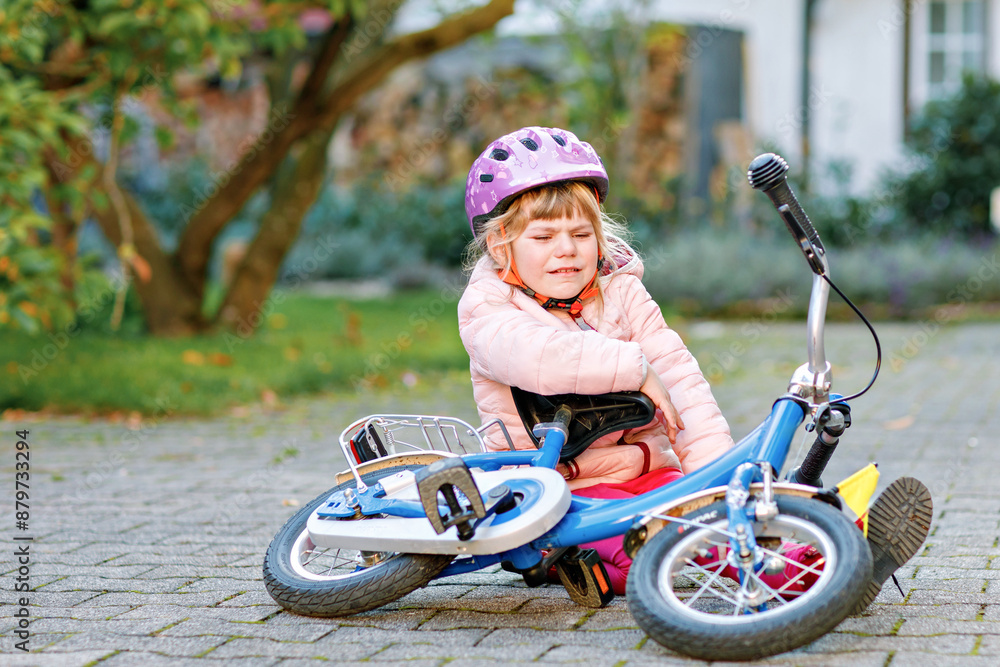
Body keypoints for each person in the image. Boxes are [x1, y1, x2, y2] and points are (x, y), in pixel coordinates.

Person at [457, 126, 931, 605]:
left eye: (581, 234)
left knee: (713, 524)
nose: (567, 249)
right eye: (544, 236)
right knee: (657, 548)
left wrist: (719, 480)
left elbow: (683, 388)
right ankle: (820, 574)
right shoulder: (489, 308)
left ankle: (835, 563)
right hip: (563, 490)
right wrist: (635, 368)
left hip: (650, 475)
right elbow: (535, 356)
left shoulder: (622, 293)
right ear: (501, 247)